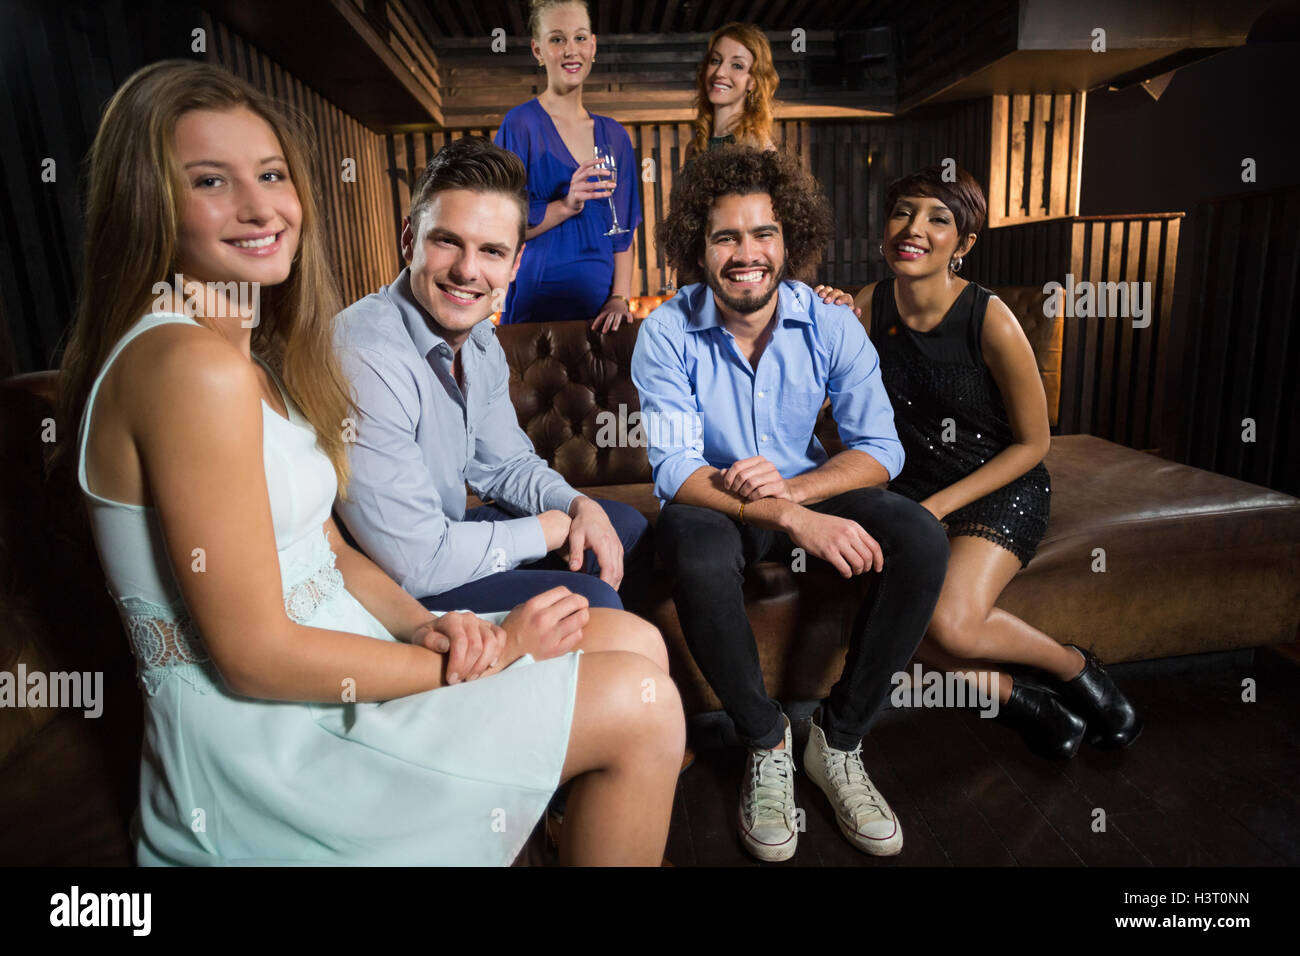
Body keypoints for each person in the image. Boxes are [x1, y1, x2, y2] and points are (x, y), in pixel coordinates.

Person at [56, 58, 683, 866]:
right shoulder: (190, 368)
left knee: (638, 646)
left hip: (345, 643)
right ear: (149, 201)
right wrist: (486, 660)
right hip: (271, 745)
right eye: (211, 181)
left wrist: (430, 628)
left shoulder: (239, 359)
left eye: (272, 174)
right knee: (641, 701)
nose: (259, 207)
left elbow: (332, 553)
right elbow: (251, 659)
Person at [632, 144, 950, 861]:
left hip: (801, 483)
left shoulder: (833, 323)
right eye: (726, 237)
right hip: (716, 502)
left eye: (762, 234)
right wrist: (788, 516)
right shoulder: (665, 331)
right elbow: (676, 467)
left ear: (789, 241)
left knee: (922, 537)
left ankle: (837, 743)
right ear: (698, 248)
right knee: (689, 542)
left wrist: (798, 491)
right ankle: (765, 738)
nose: (747, 254)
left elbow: (880, 449)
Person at [844, 164, 1142, 758]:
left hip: (995, 485)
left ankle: (1073, 668)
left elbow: (1034, 443)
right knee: (875, 606)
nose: (915, 228)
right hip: (907, 489)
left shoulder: (991, 318)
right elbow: (815, 386)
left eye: (939, 218)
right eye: (903, 212)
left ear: (965, 244)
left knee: (950, 622)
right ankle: (1022, 702)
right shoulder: (866, 306)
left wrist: (936, 507)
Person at [332, 137, 652, 617]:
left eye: (492, 252)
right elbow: (413, 562)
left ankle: (599, 648)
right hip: (388, 583)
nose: (467, 271)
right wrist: (550, 529)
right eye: (447, 241)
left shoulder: (480, 339)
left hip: (438, 538)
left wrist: (574, 508)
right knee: (596, 599)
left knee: (617, 523)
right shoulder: (364, 353)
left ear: (515, 264)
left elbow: (504, 466)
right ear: (408, 240)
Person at [493, 0, 641, 332]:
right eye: (557, 39)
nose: (571, 50)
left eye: (579, 38)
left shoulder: (614, 135)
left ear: (593, 46)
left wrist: (620, 297)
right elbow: (500, 229)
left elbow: (624, 234)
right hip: (533, 317)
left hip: (601, 321)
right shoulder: (520, 125)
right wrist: (565, 205)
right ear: (538, 50)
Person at [685, 22, 779, 161]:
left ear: (753, 82)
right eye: (715, 61)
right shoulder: (694, 148)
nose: (720, 72)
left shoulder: (758, 148)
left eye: (737, 65)